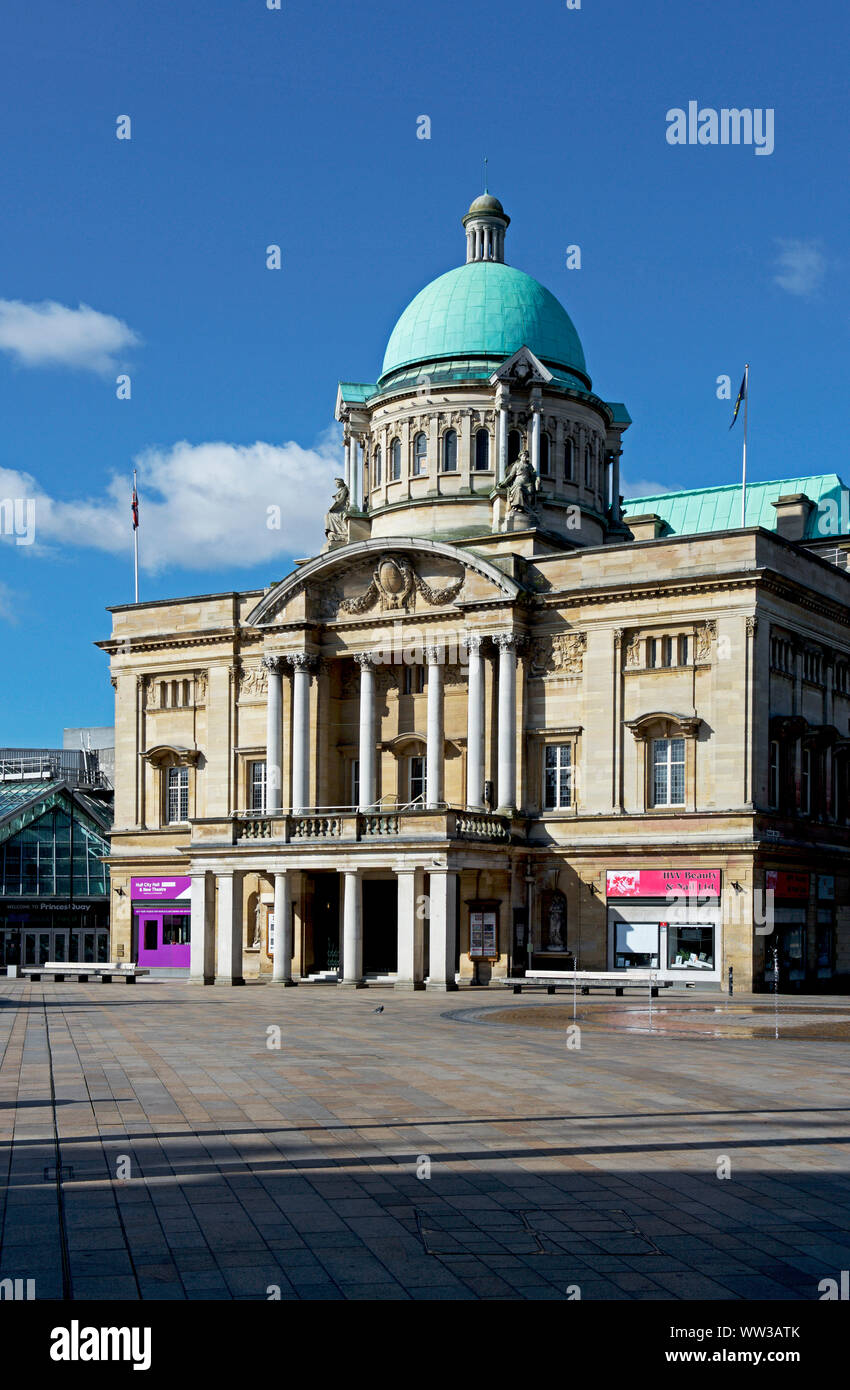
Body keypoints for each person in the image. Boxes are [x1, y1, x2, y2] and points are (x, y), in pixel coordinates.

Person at [324, 478, 350, 543]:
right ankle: (333, 531)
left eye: (337, 483)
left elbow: (340, 500)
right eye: (335, 483)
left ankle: (339, 532)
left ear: (341, 483)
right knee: (328, 515)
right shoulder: (341, 490)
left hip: (342, 508)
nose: (336, 485)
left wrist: (332, 507)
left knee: (330, 514)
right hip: (338, 507)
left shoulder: (344, 489)